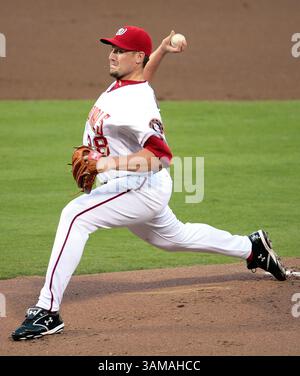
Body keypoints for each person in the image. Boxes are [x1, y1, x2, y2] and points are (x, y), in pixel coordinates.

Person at [12, 26, 286, 341]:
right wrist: (163, 51)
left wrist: (104, 163)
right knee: (174, 237)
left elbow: (160, 155)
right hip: (139, 186)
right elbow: (144, 78)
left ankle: (47, 310)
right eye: (112, 48)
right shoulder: (129, 84)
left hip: (138, 186)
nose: (112, 55)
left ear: (136, 57)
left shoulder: (136, 104)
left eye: (120, 50)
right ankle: (251, 247)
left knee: (75, 216)